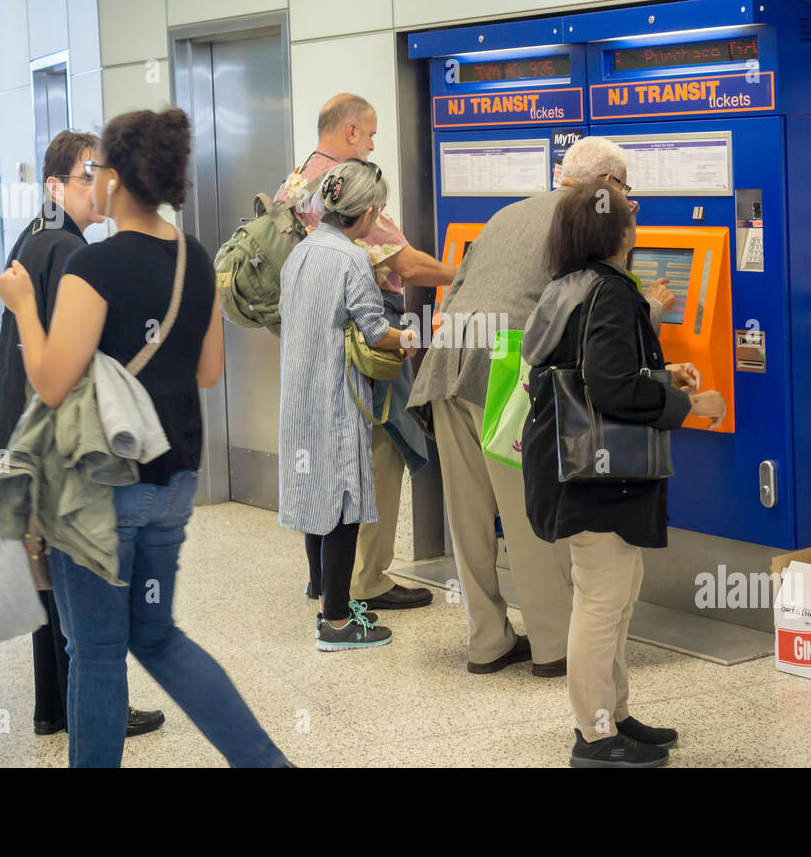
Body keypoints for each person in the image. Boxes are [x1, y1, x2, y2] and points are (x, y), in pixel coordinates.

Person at [0, 108, 287, 767]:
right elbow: (209, 372)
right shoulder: (195, 257)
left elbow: (50, 382)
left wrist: (21, 309)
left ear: (119, 180)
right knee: (156, 636)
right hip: (173, 483)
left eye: (98, 171)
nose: (93, 181)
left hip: (101, 492)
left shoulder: (93, 268)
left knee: (96, 654)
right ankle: (265, 762)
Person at [407, 136, 677, 677]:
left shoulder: (506, 214)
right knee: (529, 513)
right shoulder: (584, 223)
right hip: (507, 378)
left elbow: (460, 291)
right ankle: (553, 647)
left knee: (469, 516)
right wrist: (650, 312)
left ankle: (487, 641)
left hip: (448, 369)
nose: (627, 203)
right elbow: (583, 307)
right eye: (626, 190)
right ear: (606, 186)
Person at [521, 180, 726, 768]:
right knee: (603, 598)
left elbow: (586, 375)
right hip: (598, 475)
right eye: (629, 209)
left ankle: (617, 712)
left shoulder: (569, 285)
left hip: (575, 466)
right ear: (612, 230)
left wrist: (663, 375)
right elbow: (610, 389)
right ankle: (594, 733)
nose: (637, 214)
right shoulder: (610, 293)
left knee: (618, 592)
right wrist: (690, 406)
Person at [0, 129, 164, 740]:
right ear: (54, 185)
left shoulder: (34, 237)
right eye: (87, 175)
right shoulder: (68, 249)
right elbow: (70, 363)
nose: (99, 187)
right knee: (82, 582)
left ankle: (53, 706)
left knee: (46, 574)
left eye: (103, 174)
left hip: (15, 433)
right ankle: (93, 705)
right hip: (53, 443)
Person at [275, 93, 452, 611]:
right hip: (360, 349)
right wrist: (467, 276)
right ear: (350, 131)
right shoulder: (350, 192)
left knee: (320, 469)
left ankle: (322, 578)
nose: (374, 143)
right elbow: (409, 265)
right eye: (371, 133)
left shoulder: (296, 182)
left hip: (315, 343)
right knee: (381, 451)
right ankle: (365, 581)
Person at [278, 159, 419, 650]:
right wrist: (418, 336)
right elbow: (378, 333)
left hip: (299, 397)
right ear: (367, 212)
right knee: (341, 503)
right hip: (336, 398)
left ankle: (323, 594)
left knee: (316, 497)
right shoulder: (351, 260)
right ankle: (337, 623)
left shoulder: (301, 252)